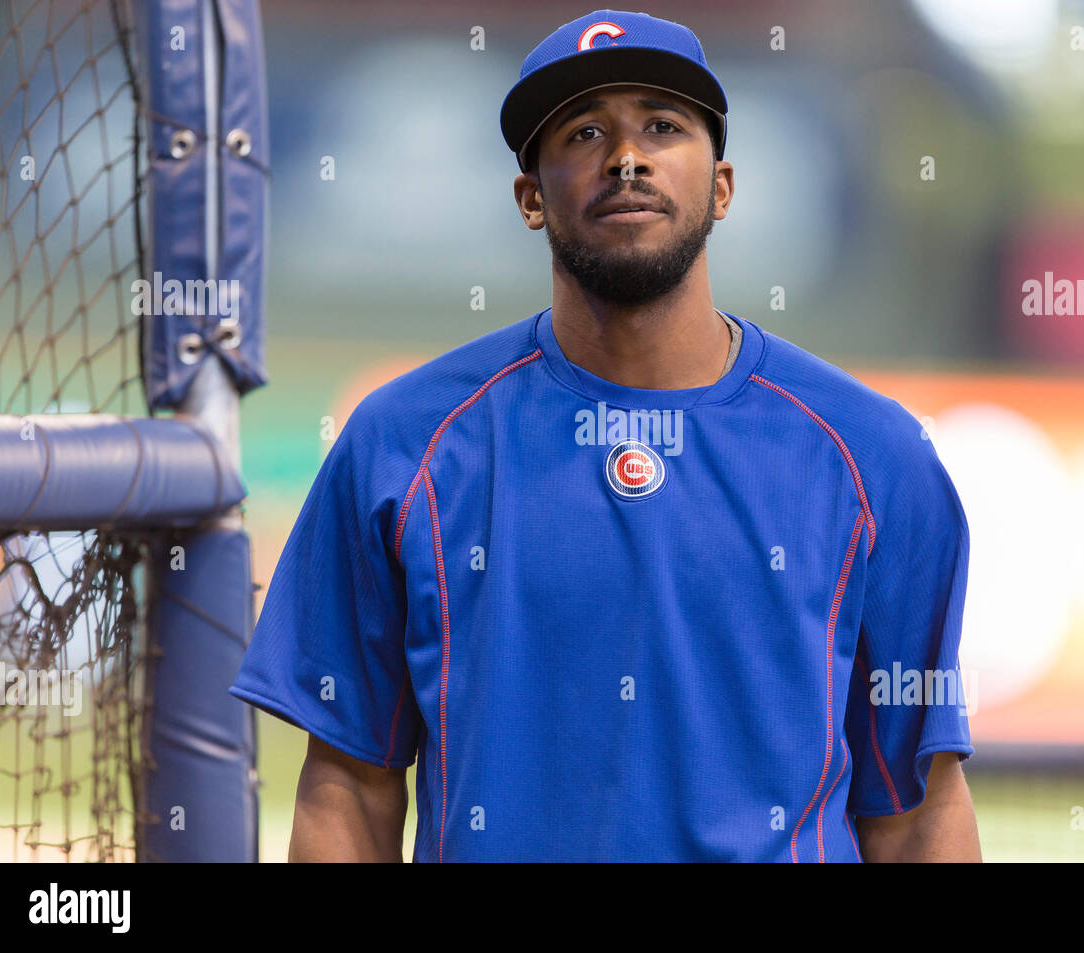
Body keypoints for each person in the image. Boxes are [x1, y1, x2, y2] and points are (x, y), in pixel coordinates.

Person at [231, 8, 981, 862]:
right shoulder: (403, 447)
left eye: (663, 125)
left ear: (724, 185)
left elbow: (917, 814)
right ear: (529, 197)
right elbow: (349, 794)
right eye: (585, 132)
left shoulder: (874, 457)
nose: (627, 157)